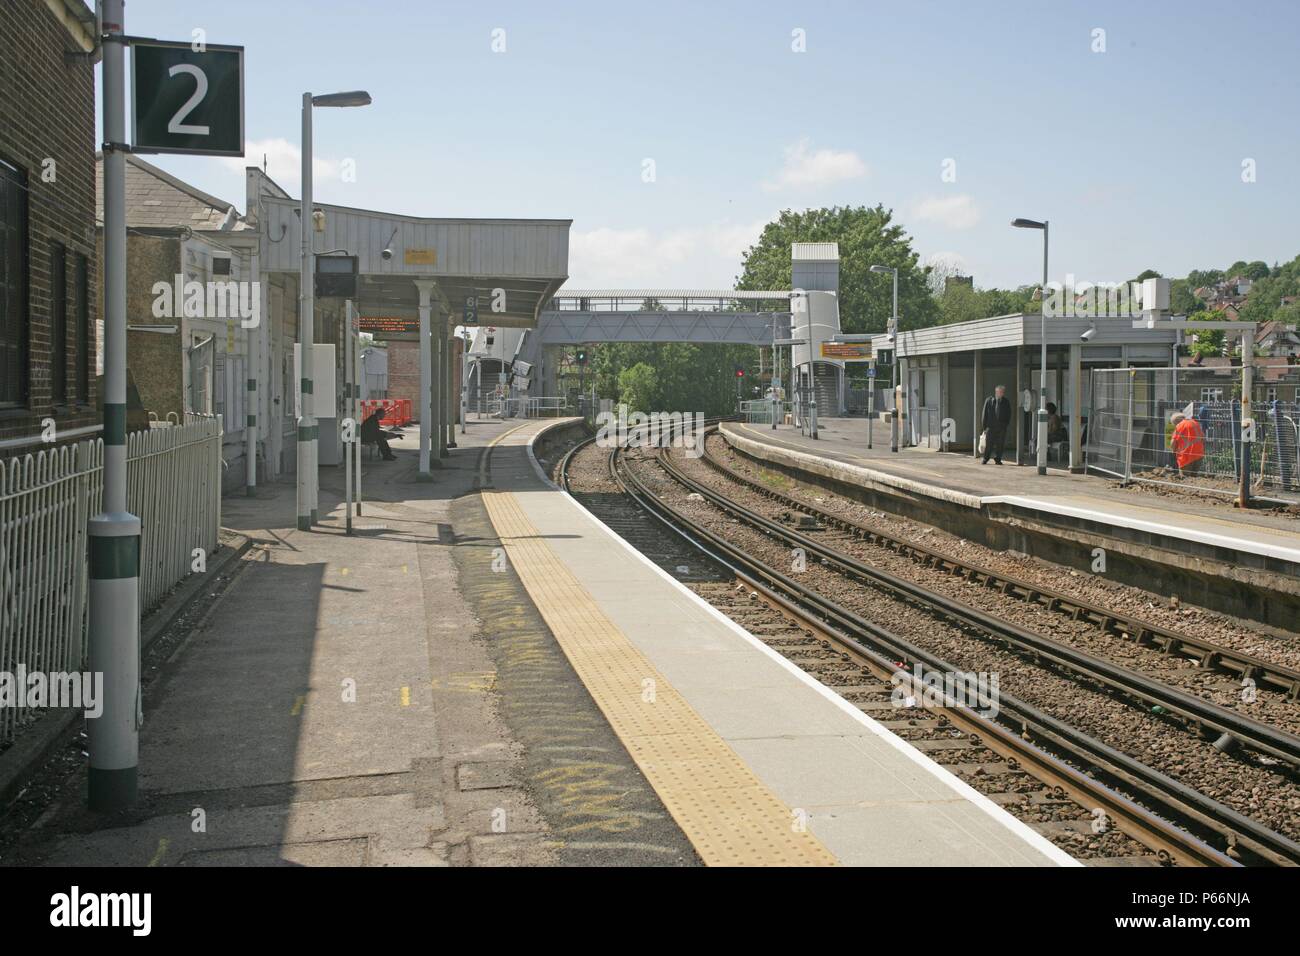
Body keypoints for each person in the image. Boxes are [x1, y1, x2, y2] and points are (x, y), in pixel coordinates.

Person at [981, 384, 1012, 465]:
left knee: (1000, 444)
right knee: (989, 444)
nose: (1001, 394)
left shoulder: (1006, 402)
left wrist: (1005, 425)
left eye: (1002, 392)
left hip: (1001, 427)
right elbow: (984, 414)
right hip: (990, 427)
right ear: (996, 392)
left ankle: (998, 459)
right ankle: (985, 458)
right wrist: (984, 427)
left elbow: (1008, 414)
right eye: (999, 392)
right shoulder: (989, 401)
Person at [1169, 411, 1205, 475]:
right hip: (1199, 455)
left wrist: (1173, 451)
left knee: (1185, 478)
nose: (1175, 426)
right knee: (1193, 478)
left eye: (1174, 424)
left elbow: (1173, 443)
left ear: (1176, 421)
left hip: (1185, 457)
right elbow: (1203, 438)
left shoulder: (1179, 426)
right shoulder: (1195, 423)